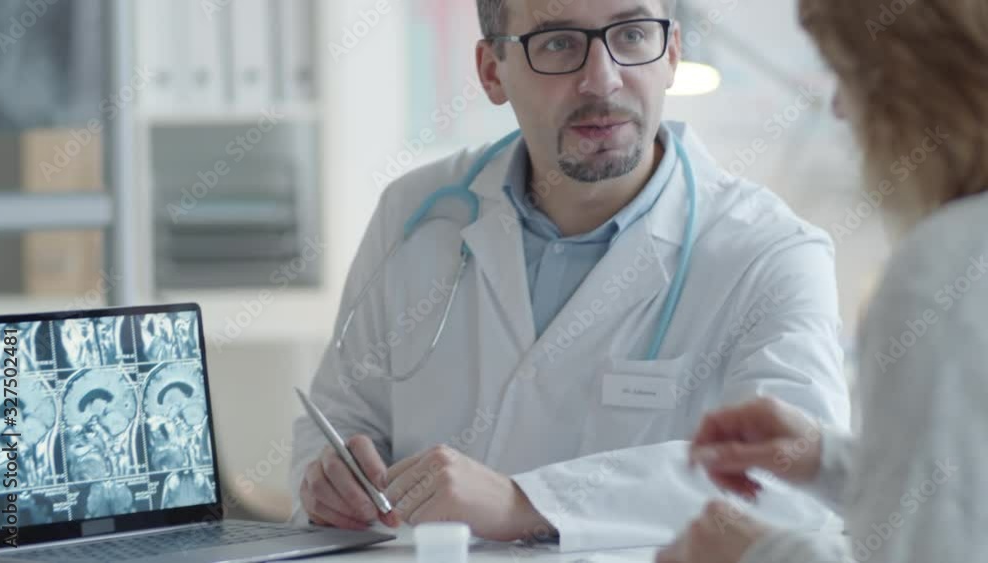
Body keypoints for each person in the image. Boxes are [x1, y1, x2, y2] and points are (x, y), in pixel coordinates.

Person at [291, 0, 852, 551]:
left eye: (631, 35)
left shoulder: (771, 252)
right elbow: (337, 421)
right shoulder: (415, 212)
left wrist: (525, 503)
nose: (602, 80)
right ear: (492, 72)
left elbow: (793, 480)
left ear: (672, 54)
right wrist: (328, 483)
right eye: (558, 43)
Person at [658, 0, 988, 561]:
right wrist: (825, 460)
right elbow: (959, 500)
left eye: (844, 73)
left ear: (909, 81)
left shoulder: (943, 269)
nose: (836, 106)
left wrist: (755, 552)